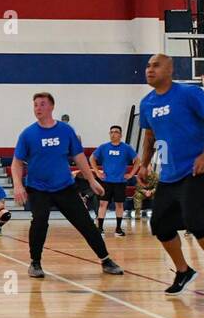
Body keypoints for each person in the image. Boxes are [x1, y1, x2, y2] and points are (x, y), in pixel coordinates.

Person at [132, 55, 204, 296]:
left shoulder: (189, 93)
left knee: (197, 221)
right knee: (159, 225)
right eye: (147, 65)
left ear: (170, 69)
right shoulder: (147, 103)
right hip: (169, 173)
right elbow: (150, 136)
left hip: (197, 168)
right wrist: (144, 164)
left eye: (156, 65)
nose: (149, 69)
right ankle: (183, 270)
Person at [11, 92, 123, 279]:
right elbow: (17, 162)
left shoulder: (66, 131)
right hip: (39, 188)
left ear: (52, 107)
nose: (38, 108)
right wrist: (17, 185)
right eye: (35, 105)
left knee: (85, 223)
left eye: (42, 104)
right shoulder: (28, 134)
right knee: (39, 222)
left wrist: (92, 180)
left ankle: (106, 260)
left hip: (64, 187)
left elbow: (79, 157)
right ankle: (35, 263)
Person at [92, 125, 138, 236]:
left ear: (120, 135)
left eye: (116, 132)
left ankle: (118, 229)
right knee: (103, 204)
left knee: (119, 205)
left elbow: (137, 161)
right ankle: (100, 228)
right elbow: (92, 158)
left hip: (120, 182)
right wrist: (97, 172)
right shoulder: (103, 147)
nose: (113, 134)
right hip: (107, 181)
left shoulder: (126, 148)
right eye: (111, 132)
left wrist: (131, 174)